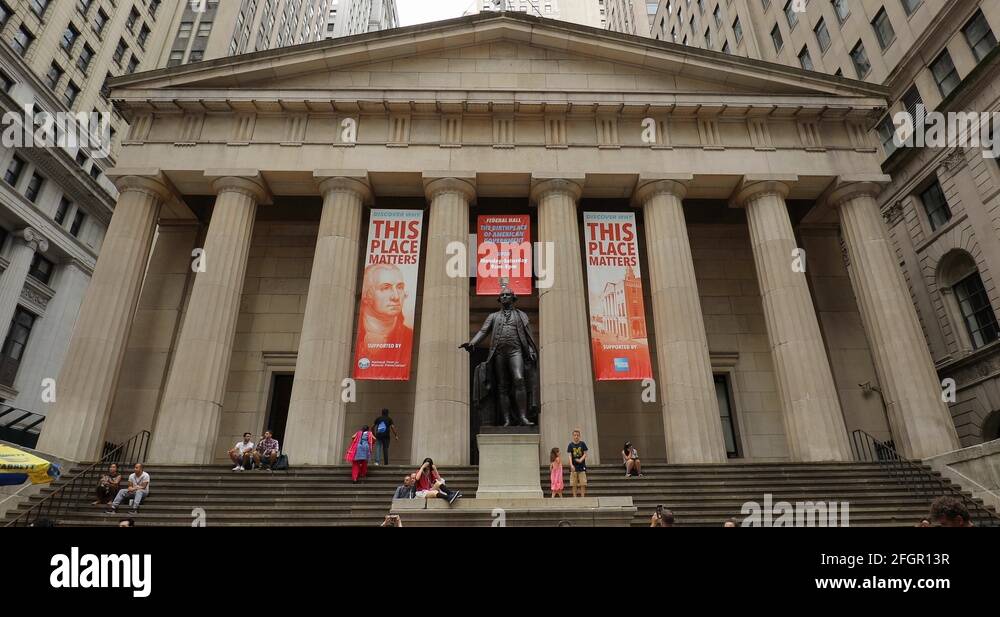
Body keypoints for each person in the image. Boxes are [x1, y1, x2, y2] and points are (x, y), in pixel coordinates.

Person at [355, 264, 414, 372]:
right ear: (367, 295)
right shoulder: (353, 330)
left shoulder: (408, 335)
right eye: (385, 288)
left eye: (400, 287)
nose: (396, 297)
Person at [567, 429, 588, 498]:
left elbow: (585, 453)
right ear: (573, 436)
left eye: (577, 435)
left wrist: (581, 460)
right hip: (574, 467)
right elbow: (569, 455)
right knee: (574, 484)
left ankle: (582, 497)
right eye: (575, 435)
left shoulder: (582, 443)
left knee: (583, 483)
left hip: (581, 466)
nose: (576, 437)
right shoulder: (570, 445)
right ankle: (575, 497)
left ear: (579, 436)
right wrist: (571, 465)